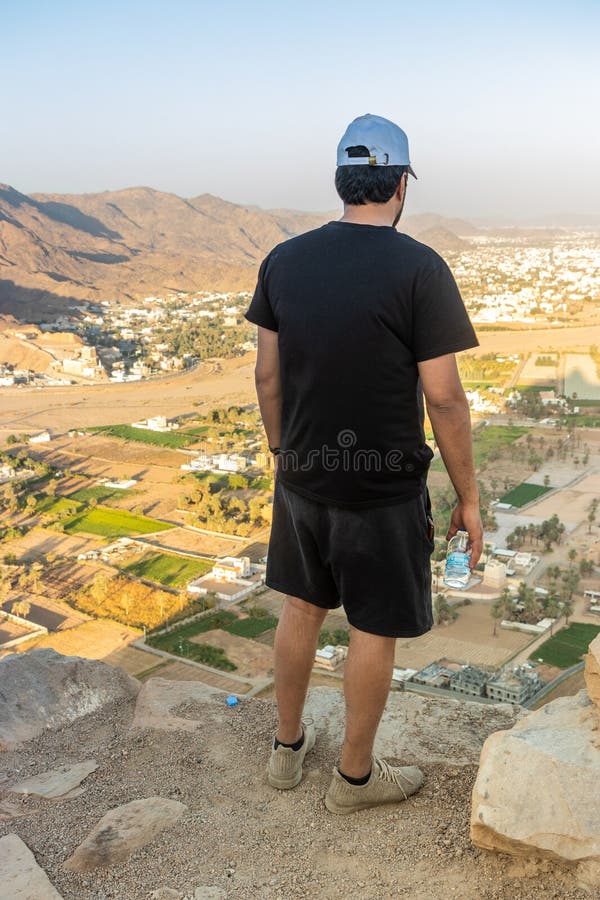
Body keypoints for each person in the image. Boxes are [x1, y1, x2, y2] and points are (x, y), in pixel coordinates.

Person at [245, 113, 483, 814]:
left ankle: (286, 752)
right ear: (400, 184)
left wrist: (285, 454)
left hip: (304, 477)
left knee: (301, 606)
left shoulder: (283, 260)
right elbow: (444, 397)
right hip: (382, 489)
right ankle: (353, 779)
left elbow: (267, 377)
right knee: (373, 625)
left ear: (343, 181)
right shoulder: (419, 268)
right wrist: (468, 496)